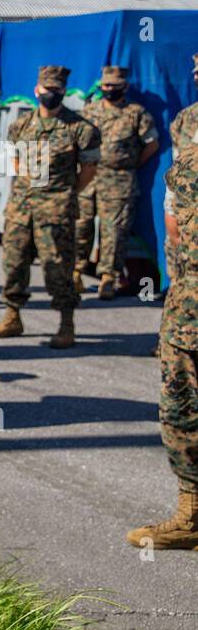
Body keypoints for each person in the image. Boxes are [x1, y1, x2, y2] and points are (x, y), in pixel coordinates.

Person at [0, 65, 100, 348]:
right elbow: (16, 162)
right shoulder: (20, 126)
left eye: (57, 90)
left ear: (63, 92)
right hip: (21, 207)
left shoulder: (81, 129)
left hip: (56, 209)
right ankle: (12, 317)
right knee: (13, 263)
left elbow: (88, 169)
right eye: (46, 90)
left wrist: (66, 192)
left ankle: (66, 324)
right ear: (37, 90)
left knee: (58, 267)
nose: (51, 94)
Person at [128, 159, 198, 548]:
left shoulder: (187, 166)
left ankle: (191, 516)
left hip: (190, 310)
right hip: (188, 315)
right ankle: (191, 517)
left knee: (183, 412)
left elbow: (174, 233)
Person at [78, 65, 158, 299]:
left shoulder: (136, 113)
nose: (109, 89)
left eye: (114, 86)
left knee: (113, 232)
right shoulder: (89, 112)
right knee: (80, 225)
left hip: (119, 179)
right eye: (105, 85)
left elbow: (151, 144)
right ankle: (76, 271)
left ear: (124, 86)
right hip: (89, 176)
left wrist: (129, 164)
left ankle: (108, 278)